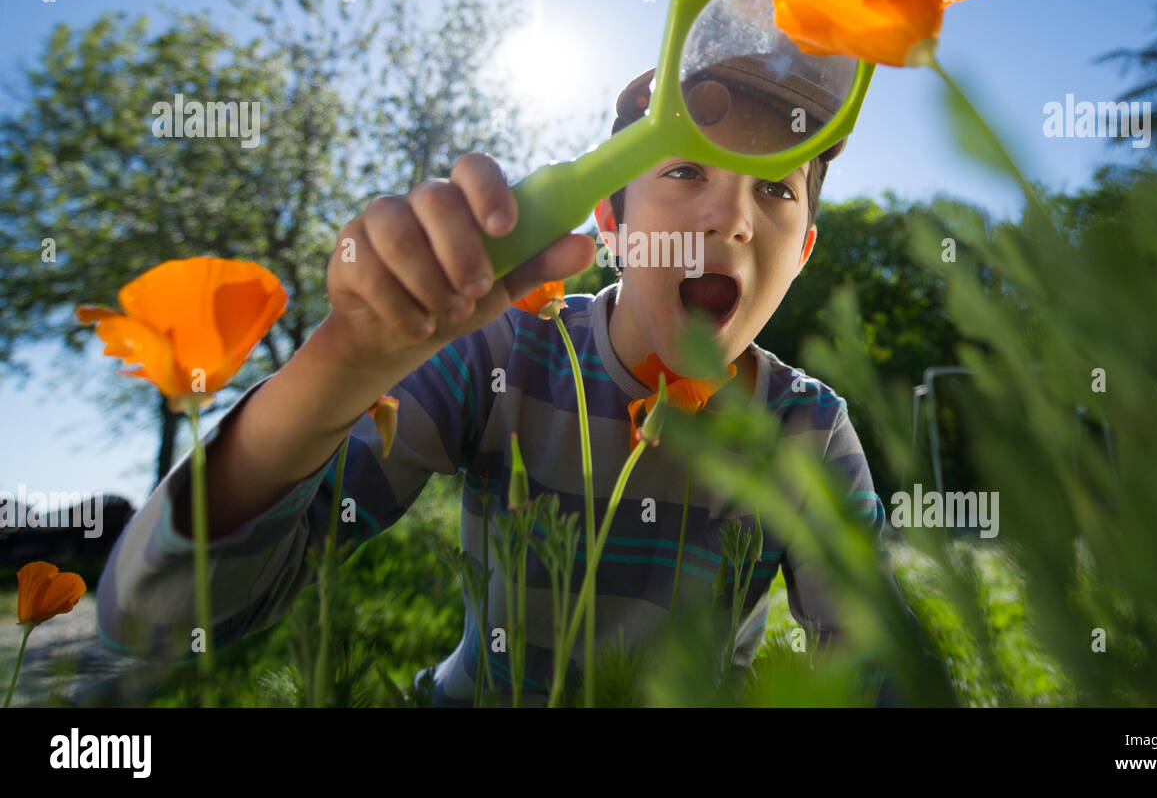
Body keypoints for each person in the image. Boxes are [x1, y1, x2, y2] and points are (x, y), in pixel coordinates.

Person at [94, 65, 894, 707]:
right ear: (609, 228)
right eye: (686, 169)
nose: (732, 218)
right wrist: (350, 361)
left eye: (777, 188)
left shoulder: (808, 431)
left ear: (803, 253)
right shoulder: (504, 349)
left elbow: (881, 667)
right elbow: (158, 615)